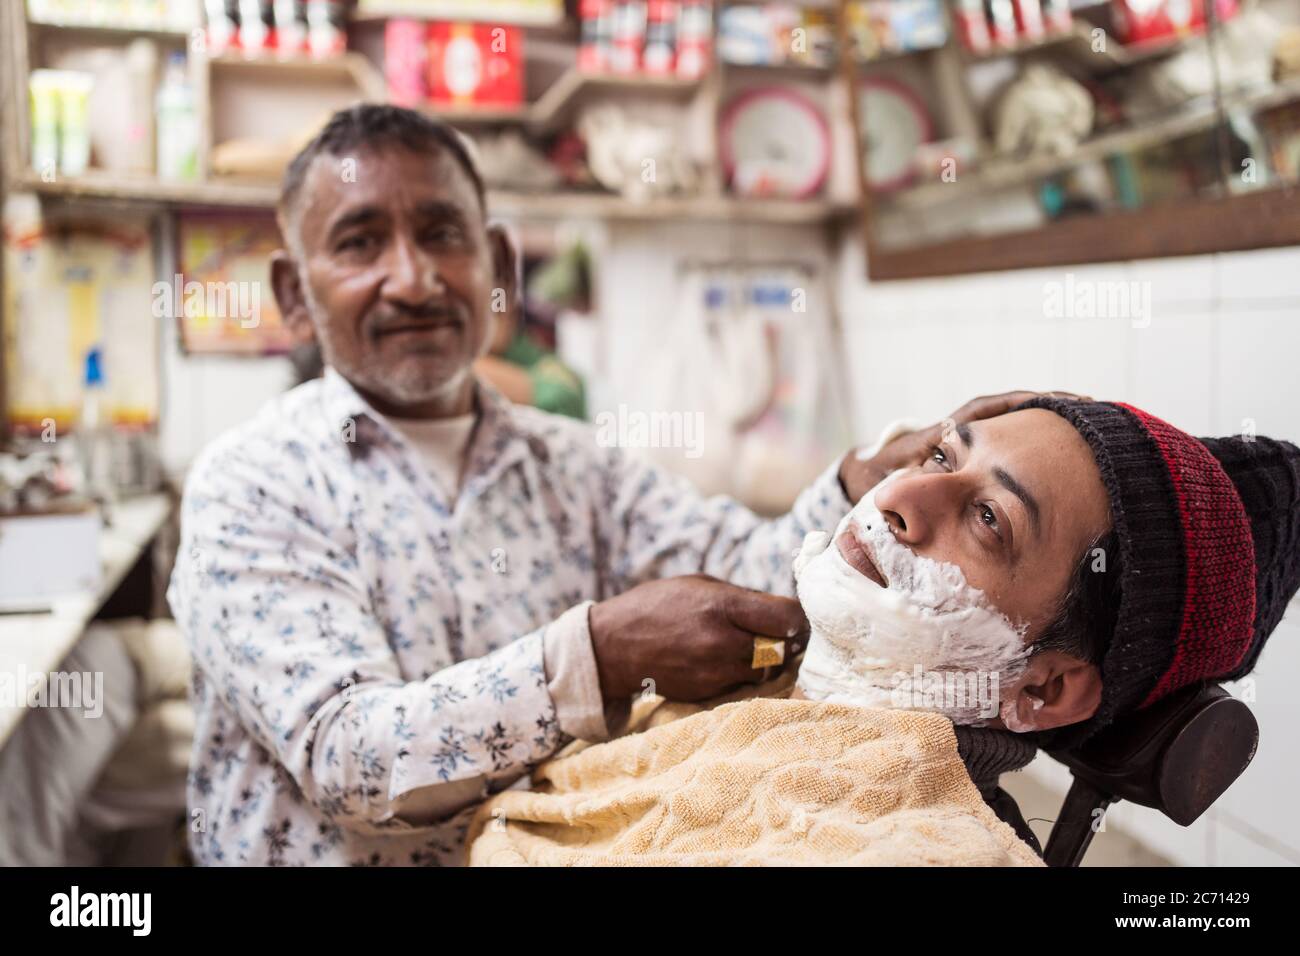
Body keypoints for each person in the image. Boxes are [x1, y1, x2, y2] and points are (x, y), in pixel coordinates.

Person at [166, 103, 1051, 865]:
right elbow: (346, 756)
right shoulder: (250, 483)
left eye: (442, 233)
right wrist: (598, 657)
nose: (414, 276)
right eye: (360, 243)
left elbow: (746, 567)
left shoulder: (568, 462)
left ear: (500, 268)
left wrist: (858, 483)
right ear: (293, 293)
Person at [460, 399, 1300, 864]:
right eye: (942, 455)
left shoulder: (928, 852)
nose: (900, 495)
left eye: (985, 517)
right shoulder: (732, 692)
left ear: (1041, 687)